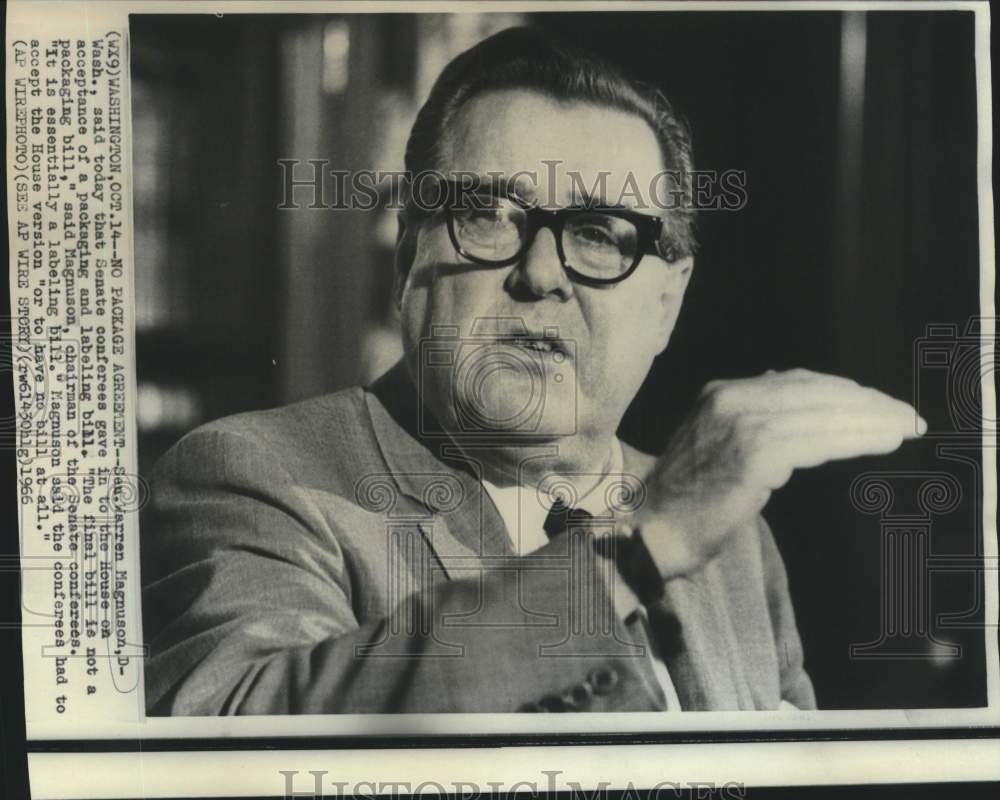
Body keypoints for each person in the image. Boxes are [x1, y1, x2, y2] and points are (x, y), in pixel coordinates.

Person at [141, 27, 923, 714]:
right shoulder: (256, 478)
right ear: (409, 253)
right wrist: (637, 548)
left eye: (600, 233)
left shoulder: (735, 536)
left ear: (668, 302)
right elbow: (240, 739)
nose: (541, 273)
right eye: (487, 216)